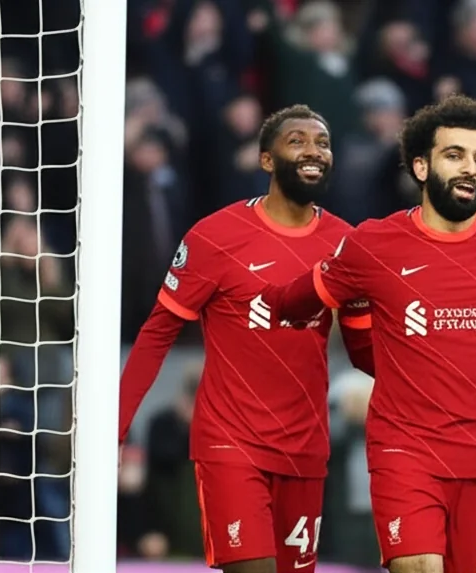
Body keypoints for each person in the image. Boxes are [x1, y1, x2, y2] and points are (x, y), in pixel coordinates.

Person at [257, 95, 476, 573]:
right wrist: (333, 307)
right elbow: (293, 302)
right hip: (405, 451)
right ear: (421, 167)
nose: (470, 169)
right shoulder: (373, 245)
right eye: (455, 155)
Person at [118, 105, 373, 573]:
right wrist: (115, 428)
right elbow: (156, 335)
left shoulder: (347, 244)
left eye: (322, 142)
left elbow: (365, 350)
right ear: (266, 160)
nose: (313, 150)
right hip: (230, 444)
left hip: (306, 447)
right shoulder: (216, 236)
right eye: (297, 141)